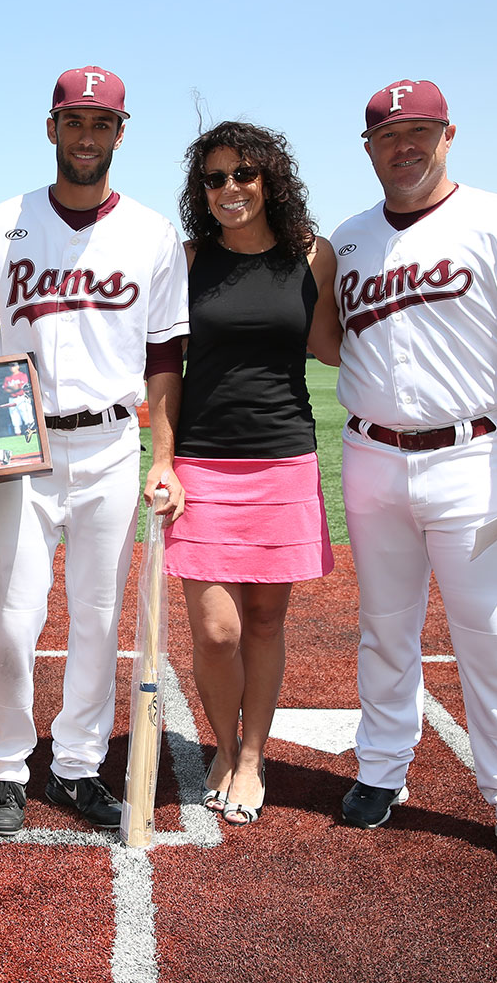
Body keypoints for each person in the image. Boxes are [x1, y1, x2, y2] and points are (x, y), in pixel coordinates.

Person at [333, 79, 497, 880]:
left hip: (471, 456)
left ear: (448, 135)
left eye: (421, 132)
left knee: (491, 634)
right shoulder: (346, 240)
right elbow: (332, 344)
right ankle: (380, 771)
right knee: (383, 626)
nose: (405, 147)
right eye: (388, 136)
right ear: (367, 147)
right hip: (371, 454)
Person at [0, 66, 189, 835]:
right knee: (11, 617)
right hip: (21, 444)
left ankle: (77, 765)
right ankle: (3, 765)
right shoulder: (3, 224)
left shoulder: (153, 233)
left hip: (111, 441)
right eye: (74, 120)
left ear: (120, 133)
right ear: (51, 127)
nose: (87, 135)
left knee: (97, 616)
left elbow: (166, 356)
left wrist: (163, 456)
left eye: (102, 122)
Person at [162, 121, 342, 826]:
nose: (230, 189)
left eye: (244, 174)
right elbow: (164, 369)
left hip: (283, 458)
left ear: (271, 179)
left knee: (265, 620)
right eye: (214, 179)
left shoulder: (312, 255)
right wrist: (165, 458)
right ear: (199, 191)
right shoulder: (185, 259)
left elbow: (329, 345)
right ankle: (223, 739)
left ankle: (249, 755)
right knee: (216, 632)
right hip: (203, 465)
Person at [2, 361, 36, 440]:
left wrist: (12, 388)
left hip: (22, 397)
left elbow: (22, 387)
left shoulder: (22, 375)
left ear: (18, 367)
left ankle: (31, 435)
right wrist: (14, 388)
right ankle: (18, 437)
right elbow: (4, 390)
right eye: (10, 366)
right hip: (12, 399)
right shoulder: (7, 378)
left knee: (28, 418)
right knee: (15, 419)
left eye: (13, 366)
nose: (12, 367)